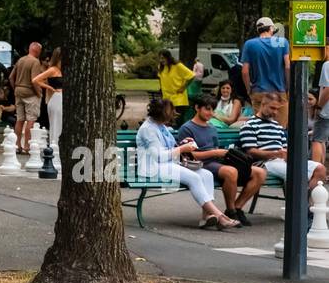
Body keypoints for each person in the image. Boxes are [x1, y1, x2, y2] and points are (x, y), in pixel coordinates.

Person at [137, 99, 236, 229]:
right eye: (170, 113)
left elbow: (171, 146)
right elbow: (159, 156)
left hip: (168, 164)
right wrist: (182, 149)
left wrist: (184, 143)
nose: (173, 116)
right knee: (194, 177)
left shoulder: (160, 126)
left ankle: (207, 216)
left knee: (206, 174)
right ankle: (220, 216)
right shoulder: (148, 129)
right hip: (153, 167)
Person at [176, 94, 264, 226]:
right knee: (231, 172)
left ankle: (237, 207)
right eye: (207, 109)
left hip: (217, 161)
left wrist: (226, 155)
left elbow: (216, 148)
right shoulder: (187, 128)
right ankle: (231, 210)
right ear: (197, 108)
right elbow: (188, 155)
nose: (210, 113)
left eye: (213, 110)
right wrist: (215, 152)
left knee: (259, 173)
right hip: (201, 164)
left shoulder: (211, 128)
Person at [240, 94, 327, 191]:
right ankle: (302, 203)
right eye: (272, 108)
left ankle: (305, 203)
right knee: (297, 174)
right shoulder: (249, 125)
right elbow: (251, 152)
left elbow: (285, 148)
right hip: (264, 163)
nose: (275, 112)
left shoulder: (276, 125)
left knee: (320, 169)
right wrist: (275, 154)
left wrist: (287, 154)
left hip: (282, 161)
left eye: (277, 109)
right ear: (263, 104)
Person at [240, 16, 290, 125]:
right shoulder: (282, 42)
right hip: (279, 91)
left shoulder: (250, 44)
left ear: (258, 30)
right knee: (279, 128)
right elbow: (287, 67)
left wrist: (249, 89)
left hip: (258, 91)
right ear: (271, 28)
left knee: (260, 127)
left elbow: (244, 71)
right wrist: (287, 87)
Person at [9, 41, 44, 154]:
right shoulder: (35, 62)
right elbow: (34, 80)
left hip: (18, 91)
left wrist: (16, 88)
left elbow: (10, 77)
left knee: (19, 119)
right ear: (37, 51)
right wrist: (39, 93)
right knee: (30, 120)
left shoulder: (21, 60)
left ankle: (17, 145)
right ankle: (27, 146)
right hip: (30, 93)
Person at [33, 46, 63, 151]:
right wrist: (50, 87)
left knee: (60, 124)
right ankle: (54, 147)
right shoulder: (53, 70)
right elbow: (36, 80)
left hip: (60, 98)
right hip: (56, 98)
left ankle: (57, 146)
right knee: (56, 125)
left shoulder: (61, 70)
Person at [157, 50, 195, 118]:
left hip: (178, 99)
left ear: (168, 57)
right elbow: (161, 79)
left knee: (176, 122)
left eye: (163, 58)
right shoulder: (161, 67)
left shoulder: (178, 66)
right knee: (167, 122)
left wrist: (183, 88)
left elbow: (192, 76)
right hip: (166, 99)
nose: (161, 60)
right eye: (159, 58)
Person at [313, 56, 329, 165]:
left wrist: (319, 107)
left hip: (326, 111)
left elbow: (328, 89)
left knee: (318, 140)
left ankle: (316, 171)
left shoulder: (327, 65)